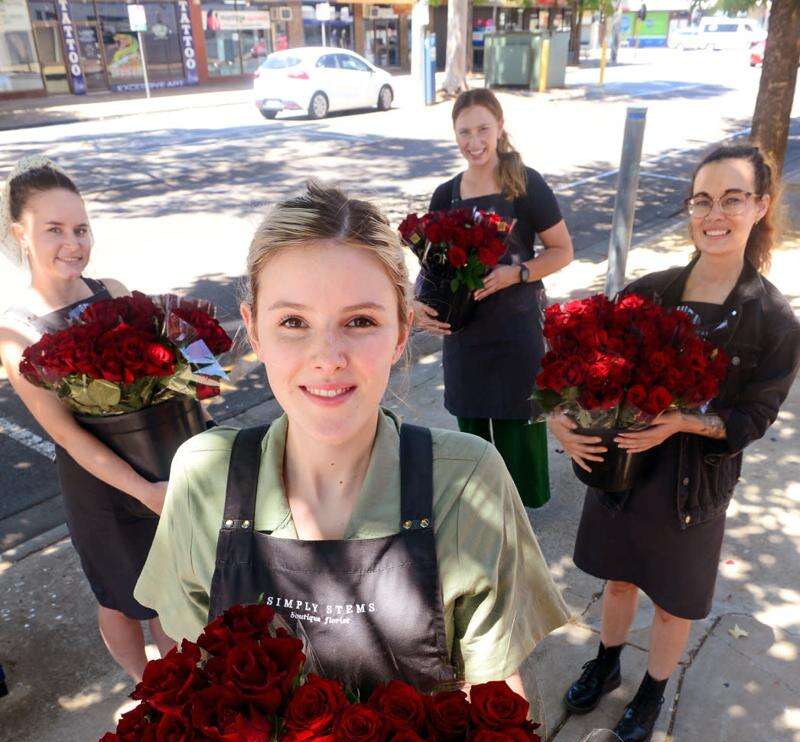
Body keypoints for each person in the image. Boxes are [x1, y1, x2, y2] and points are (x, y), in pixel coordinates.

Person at [135, 182, 569, 697]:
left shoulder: (467, 480)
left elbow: (495, 694)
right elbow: (195, 677)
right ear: (254, 331)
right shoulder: (204, 476)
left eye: (360, 321)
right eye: (293, 321)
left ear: (402, 330)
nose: (328, 356)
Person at [551, 143, 800, 742]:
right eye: (703, 199)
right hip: (624, 469)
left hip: (693, 486)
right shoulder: (650, 290)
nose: (715, 213)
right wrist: (558, 418)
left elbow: (754, 418)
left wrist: (682, 423)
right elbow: (577, 364)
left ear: (760, 207)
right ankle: (606, 662)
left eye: (733, 199)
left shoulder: (773, 319)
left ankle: (652, 691)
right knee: (615, 583)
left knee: (671, 604)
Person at [0, 157, 173, 680]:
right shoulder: (16, 332)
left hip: (158, 464)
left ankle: (181, 685)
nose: (73, 242)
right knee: (119, 595)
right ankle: (147, 685)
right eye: (54, 229)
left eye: (80, 228)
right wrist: (142, 492)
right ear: (20, 235)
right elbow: (64, 435)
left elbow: (175, 370)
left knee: (171, 587)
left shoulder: (113, 292)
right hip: (99, 485)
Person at [414, 89, 573, 511]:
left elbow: (562, 251)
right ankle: (482, 513)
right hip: (466, 338)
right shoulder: (445, 195)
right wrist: (419, 304)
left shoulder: (525, 184)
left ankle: (520, 516)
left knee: (518, 428)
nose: (474, 140)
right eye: (464, 132)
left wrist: (515, 274)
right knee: (471, 432)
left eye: (483, 128)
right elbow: (432, 266)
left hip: (516, 330)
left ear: (500, 128)